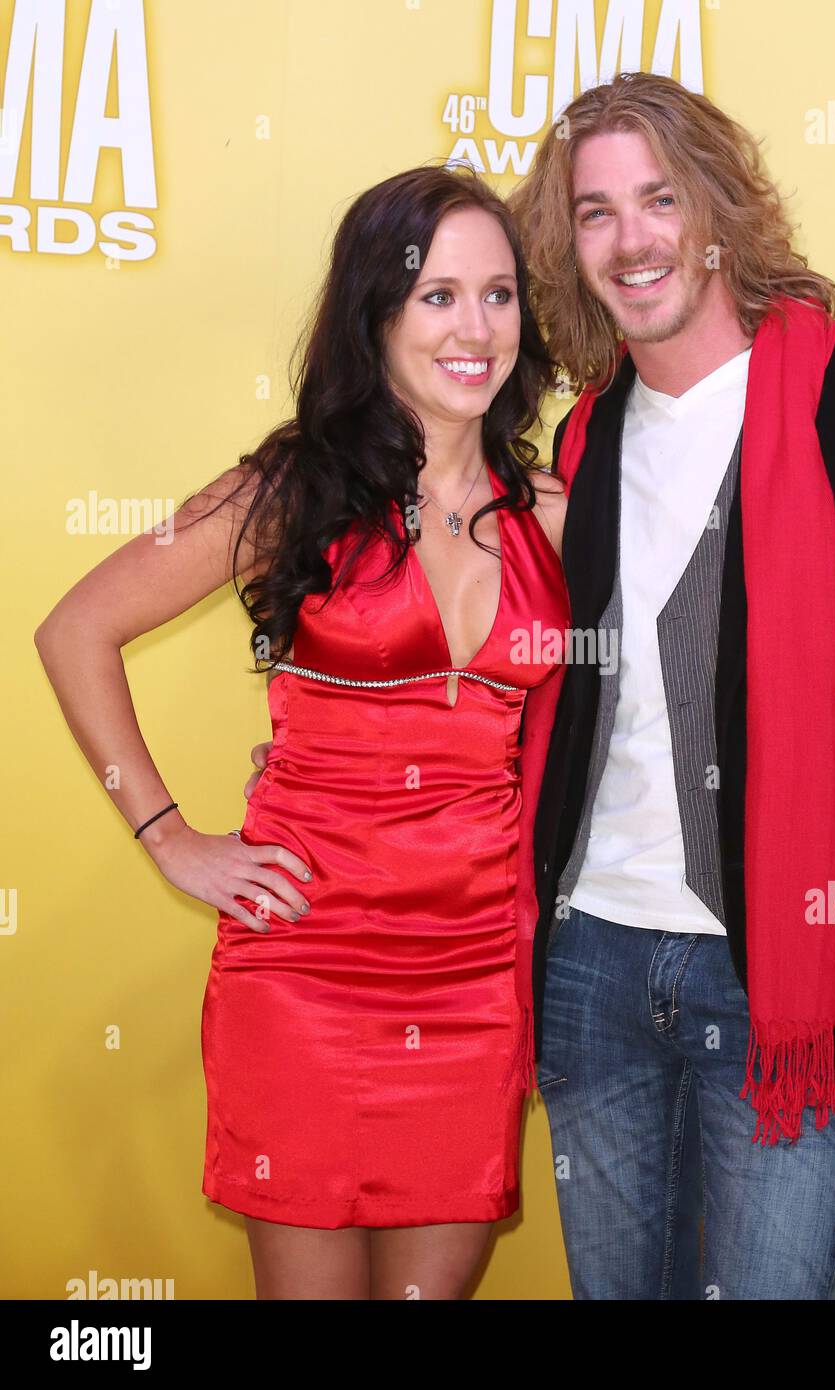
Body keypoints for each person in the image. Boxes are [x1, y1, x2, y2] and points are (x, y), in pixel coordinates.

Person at [501, 72, 835, 1299]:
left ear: (716, 211)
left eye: (657, 197)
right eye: (594, 213)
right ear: (568, 245)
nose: (631, 238)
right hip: (591, 959)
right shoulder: (585, 438)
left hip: (786, 972)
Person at [33, 165, 569, 1300]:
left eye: (497, 293)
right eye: (434, 295)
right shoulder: (290, 492)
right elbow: (75, 628)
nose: (474, 328)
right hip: (304, 966)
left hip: (476, 976)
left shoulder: (560, 516)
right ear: (373, 312)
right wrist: (171, 835)